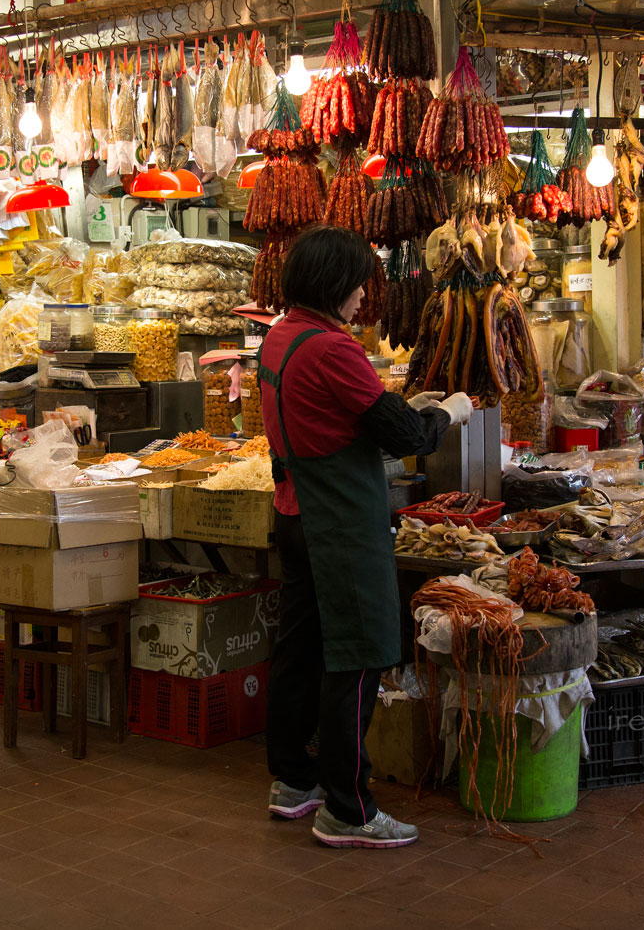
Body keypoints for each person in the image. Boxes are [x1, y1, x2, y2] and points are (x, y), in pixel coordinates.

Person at [257, 225, 473, 849]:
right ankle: (348, 810)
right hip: (340, 526)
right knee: (358, 656)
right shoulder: (332, 348)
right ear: (333, 285)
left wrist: (404, 407)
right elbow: (404, 435)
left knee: (299, 652)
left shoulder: (281, 337)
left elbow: (354, 414)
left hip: (294, 515)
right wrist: (448, 412)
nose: (362, 299)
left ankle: (294, 782)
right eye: (358, 286)